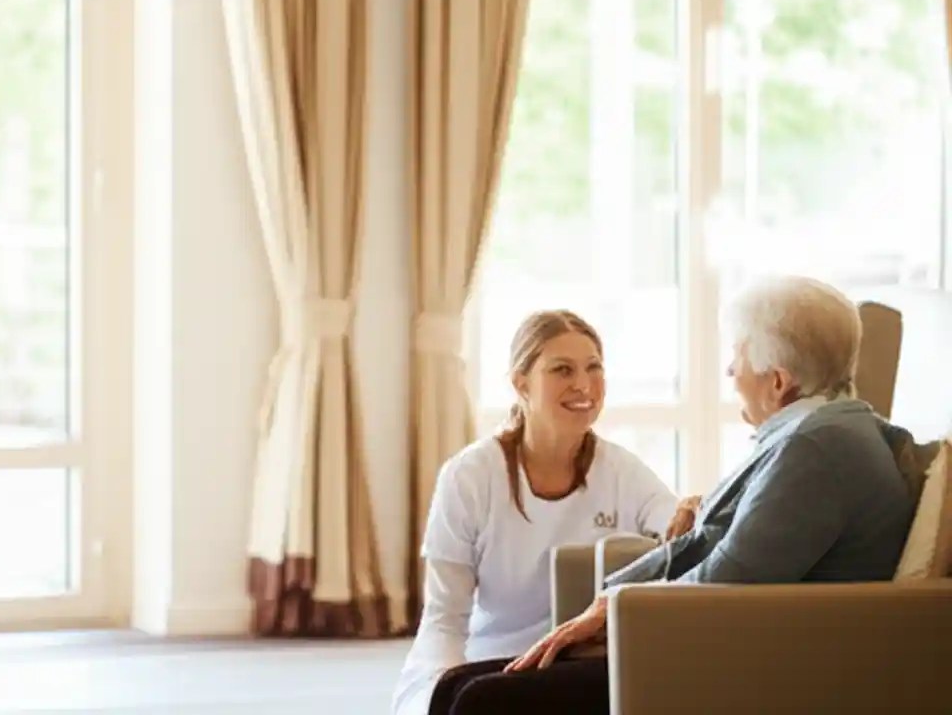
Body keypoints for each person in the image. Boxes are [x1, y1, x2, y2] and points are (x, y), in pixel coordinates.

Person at [431, 275, 920, 714]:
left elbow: (726, 577)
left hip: (754, 663)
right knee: (454, 684)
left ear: (778, 382)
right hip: (738, 640)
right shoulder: (817, 433)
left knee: (478, 699)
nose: (730, 372)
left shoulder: (815, 447)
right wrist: (607, 603)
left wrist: (616, 611)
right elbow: (705, 543)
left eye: (740, 356)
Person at [391, 310, 700, 715]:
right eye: (562, 370)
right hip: (487, 669)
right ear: (521, 383)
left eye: (594, 368)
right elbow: (444, 621)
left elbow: (678, 526)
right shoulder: (469, 476)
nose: (584, 384)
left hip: (573, 669)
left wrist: (693, 510)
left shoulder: (622, 471)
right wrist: (434, 692)